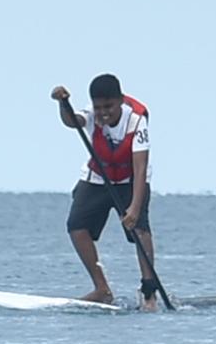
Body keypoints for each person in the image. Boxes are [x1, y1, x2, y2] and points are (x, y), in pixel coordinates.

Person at [51, 73, 158, 309]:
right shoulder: (92, 113)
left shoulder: (137, 120)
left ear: (120, 100)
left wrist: (134, 207)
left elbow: (140, 167)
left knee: (139, 228)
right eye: (99, 107)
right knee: (76, 226)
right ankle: (102, 290)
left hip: (130, 179)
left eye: (109, 106)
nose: (104, 113)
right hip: (98, 176)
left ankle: (149, 291)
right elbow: (72, 121)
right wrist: (62, 104)